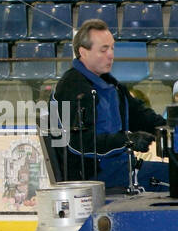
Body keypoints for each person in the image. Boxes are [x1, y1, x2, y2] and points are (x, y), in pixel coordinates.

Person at [49, 19, 167, 189]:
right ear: (83, 52)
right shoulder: (72, 88)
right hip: (93, 177)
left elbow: (141, 117)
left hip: (118, 168)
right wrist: (127, 140)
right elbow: (78, 143)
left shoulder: (112, 86)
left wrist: (173, 126)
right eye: (103, 50)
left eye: (112, 48)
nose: (111, 55)